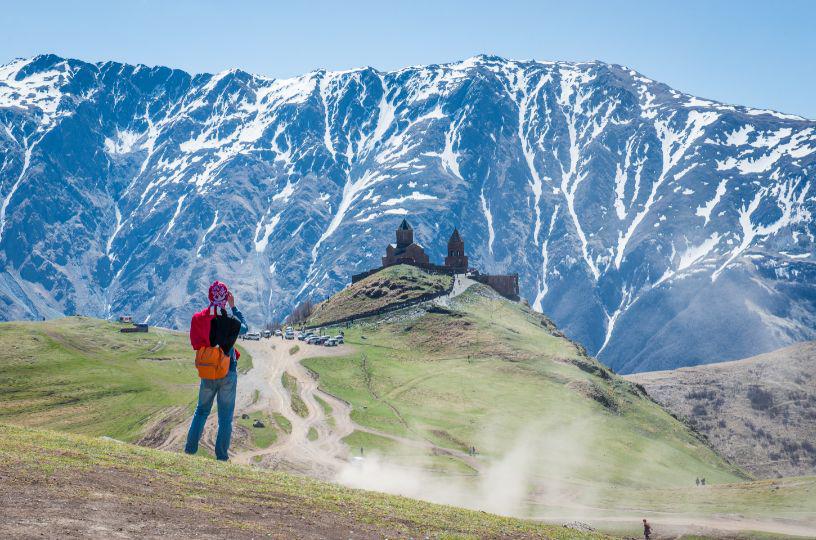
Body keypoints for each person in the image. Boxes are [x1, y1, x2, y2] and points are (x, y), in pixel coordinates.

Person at [185, 281, 248, 461]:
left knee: (201, 411)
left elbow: (195, 343)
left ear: (210, 296)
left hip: (207, 370)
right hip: (227, 370)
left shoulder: (198, 318)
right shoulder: (229, 320)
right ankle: (221, 457)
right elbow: (245, 329)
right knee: (225, 418)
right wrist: (234, 307)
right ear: (226, 298)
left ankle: (189, 450)